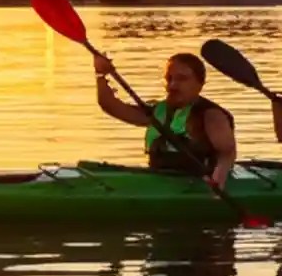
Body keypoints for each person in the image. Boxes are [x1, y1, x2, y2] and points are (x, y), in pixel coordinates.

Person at [93, 52, 237, 188]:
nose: (173, 85)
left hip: (198, 182)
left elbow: (226, 150)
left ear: (200, 83)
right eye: (169, 79)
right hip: (161, 178)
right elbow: (110, 105)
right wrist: (101, 74)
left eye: (182, 79)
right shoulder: (158, 111)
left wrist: (219, 174)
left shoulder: (211, 115)